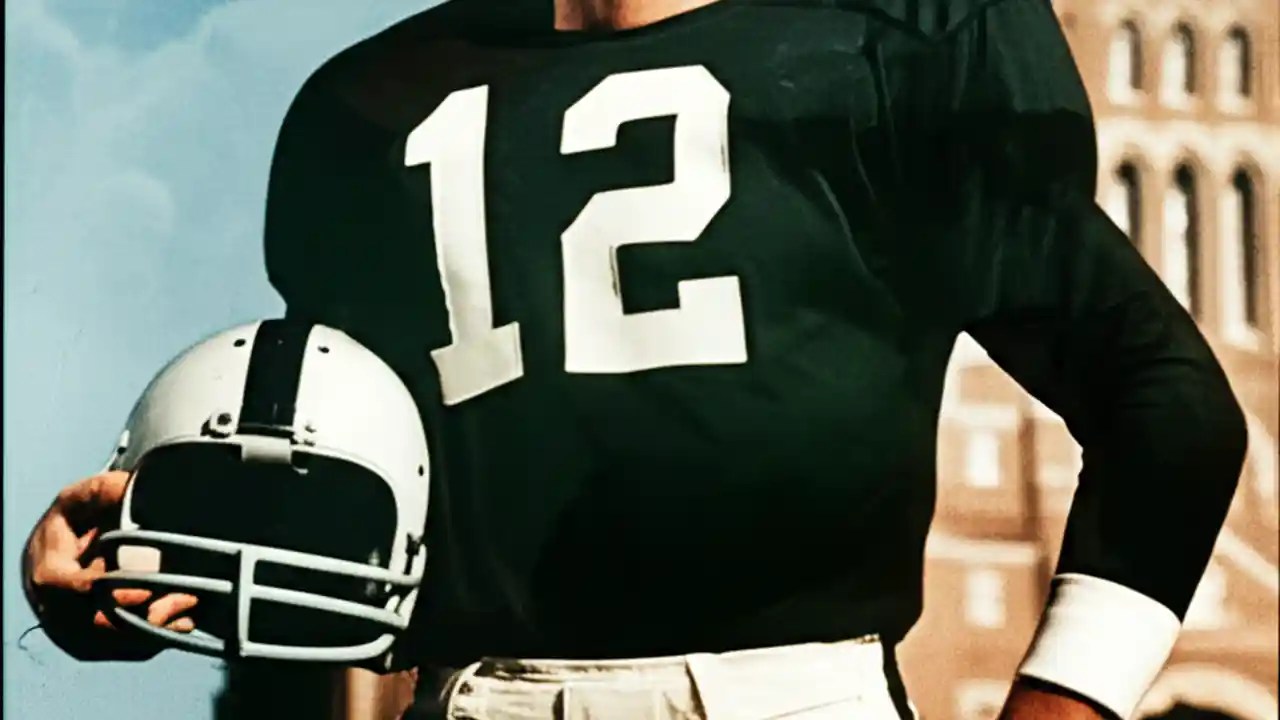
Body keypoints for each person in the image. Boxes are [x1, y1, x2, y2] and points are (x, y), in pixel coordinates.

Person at [22, 0, 1248, 718]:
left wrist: (1058, 705)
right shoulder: (362, 108)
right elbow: (373, 518)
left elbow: (1167, 408)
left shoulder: (881, 48)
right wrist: (151, 569)